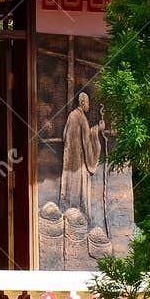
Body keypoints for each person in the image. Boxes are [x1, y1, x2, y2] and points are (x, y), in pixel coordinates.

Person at [59, 90, 103, 221]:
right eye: (87, 103)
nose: (88, 106)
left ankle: (68, 210)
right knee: (81, 186)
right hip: (79, 161)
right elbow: (86, 140)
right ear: (83, 103)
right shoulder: (81, 118)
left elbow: (65, 135)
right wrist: (97, 130)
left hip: (70, 160)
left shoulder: (72, 115)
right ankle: (80, 214)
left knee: (70, 185)